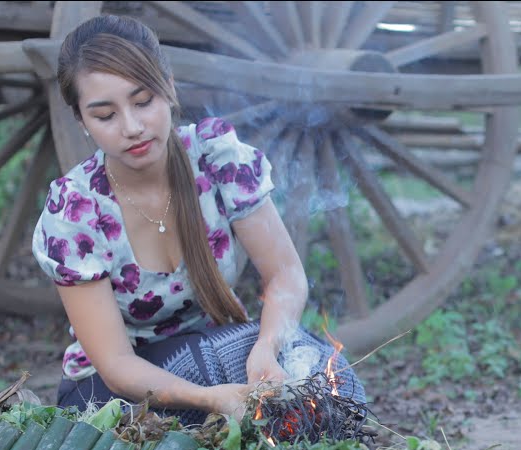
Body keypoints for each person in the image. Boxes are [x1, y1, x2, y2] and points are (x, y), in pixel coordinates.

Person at [32, 14, 363, 427]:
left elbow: (285, 275)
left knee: (332, 384)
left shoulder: (216, 158)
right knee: (212, 373)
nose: (132, 128)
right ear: (82, 122)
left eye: (143, 102)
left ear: (168, 87)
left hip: (217, 350)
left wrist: (266, 347)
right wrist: (210, 398)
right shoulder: (76, 208)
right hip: (114, 391)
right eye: (106, 115)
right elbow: (116, 363)